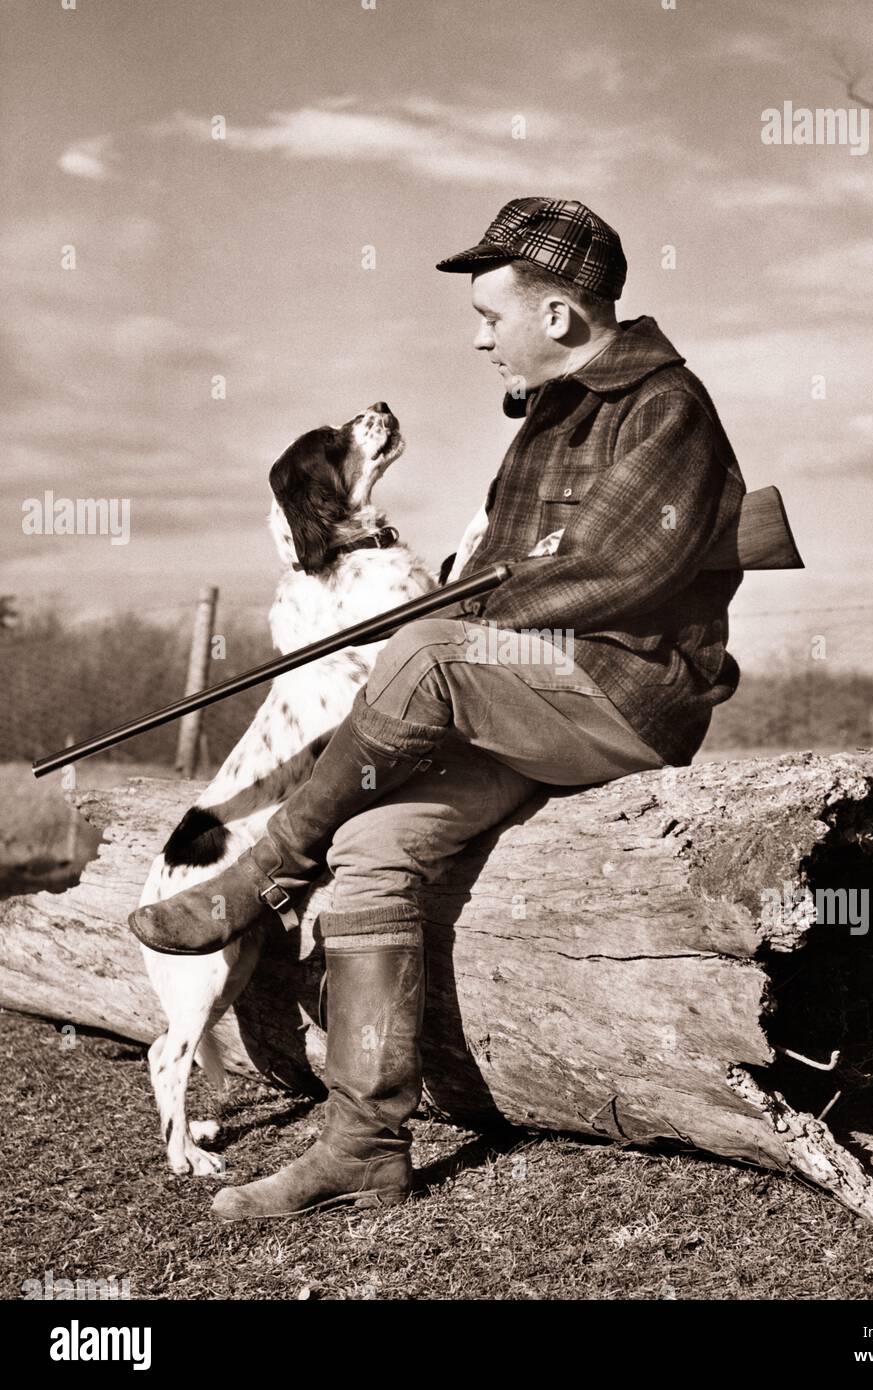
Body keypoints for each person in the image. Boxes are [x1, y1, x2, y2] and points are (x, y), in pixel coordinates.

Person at [129, 196, 746, 1222]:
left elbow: (618, 569)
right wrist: (472, 599)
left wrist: (460, 607)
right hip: (527, 700)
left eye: (490, 318)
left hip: (625, 693)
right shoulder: (551, 416)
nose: (477, 338)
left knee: (424, 648)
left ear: (557, 316)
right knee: (372, 841)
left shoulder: (663, 405)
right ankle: (365, 1144)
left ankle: (258, 875)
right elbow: (505, 568)